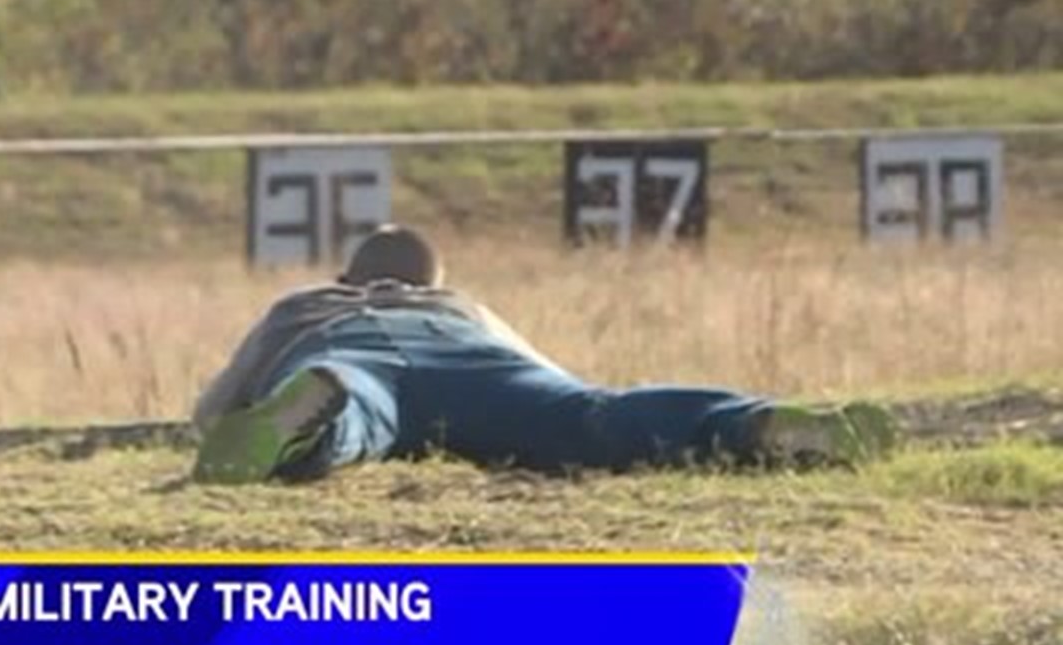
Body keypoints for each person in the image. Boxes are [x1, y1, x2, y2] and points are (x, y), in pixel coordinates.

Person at [191, 225, 898, 485]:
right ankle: (752, 423)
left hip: (348, 352)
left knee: (360, 413)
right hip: (472, 355)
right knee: (591, 414)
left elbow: (215, 411)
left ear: (350, 274)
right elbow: (549, 379)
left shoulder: (307, 303)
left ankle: (320, 410)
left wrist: (239, 415)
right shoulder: (462, 303)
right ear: (433, 282)